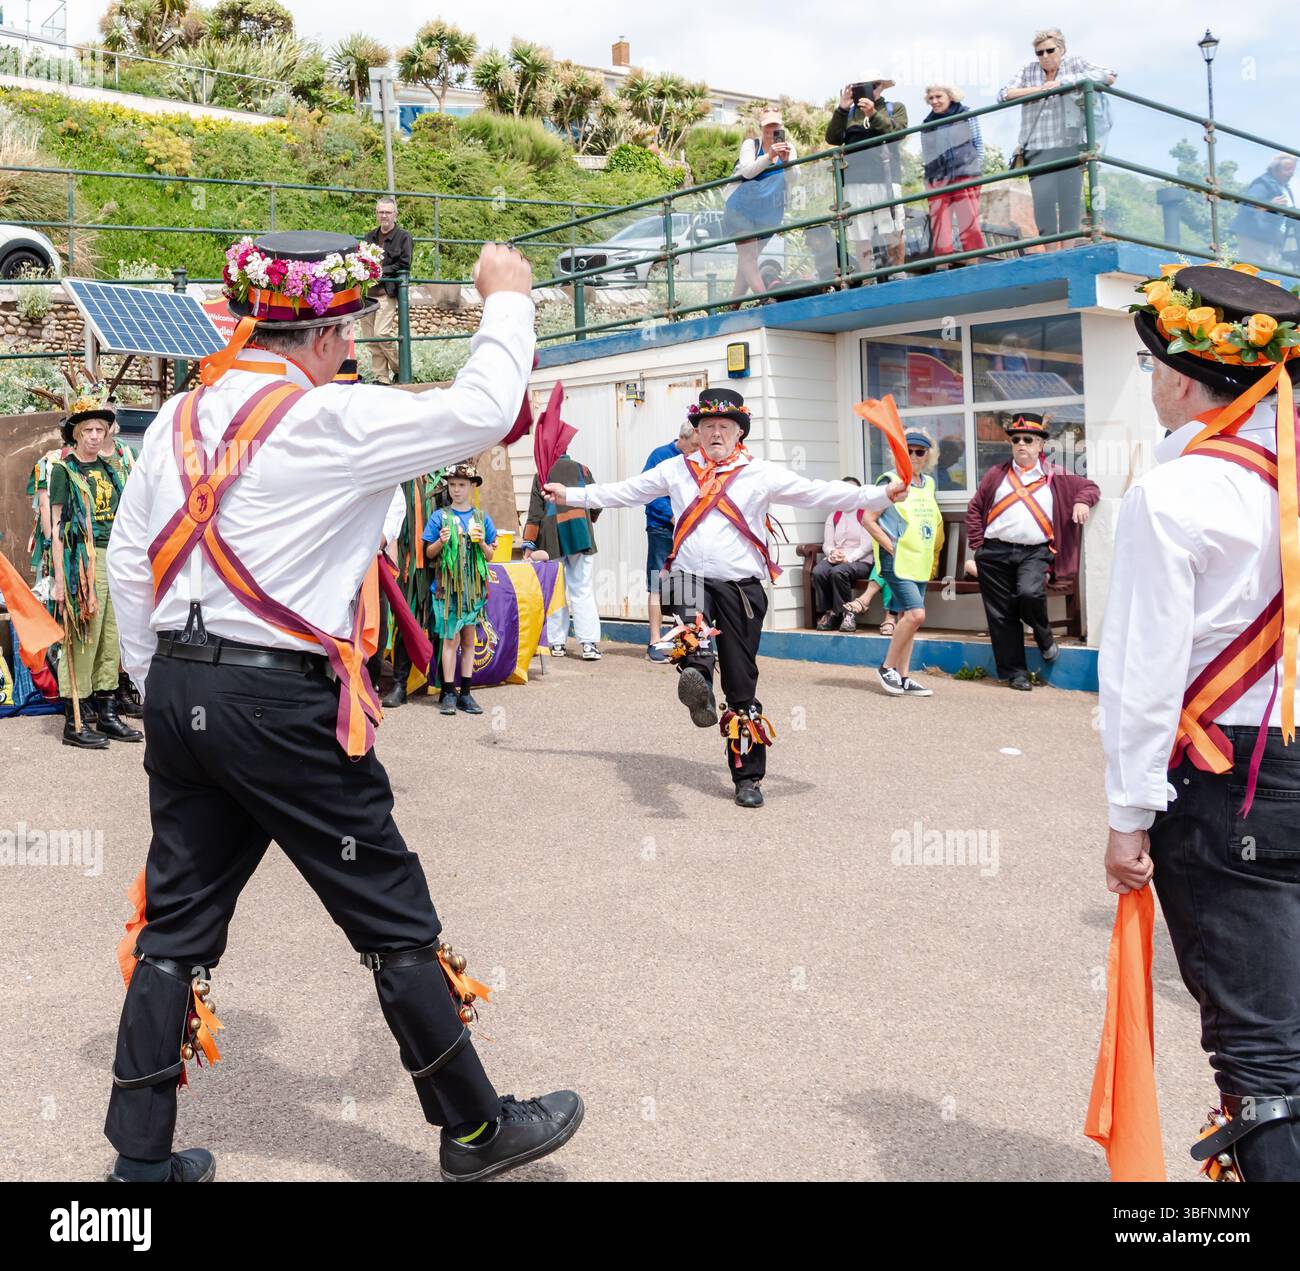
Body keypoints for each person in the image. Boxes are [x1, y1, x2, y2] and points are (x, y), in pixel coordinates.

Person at [104, 232, 582, 1184]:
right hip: (278, 700)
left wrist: (162, 684)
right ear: (327, 332)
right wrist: (506, 297)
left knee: (175, 926)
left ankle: (138, 1167)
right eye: (354, 326)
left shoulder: (179, 418)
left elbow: (128, 561)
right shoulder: (332, 416)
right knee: (389, 908)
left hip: (181, 687)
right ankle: (476, 1128)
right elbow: (484, 409)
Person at [1099, 262, 1300, 1182]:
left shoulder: (1173, 496)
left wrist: (1128, 817)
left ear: (1183, 375)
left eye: (1149, 367)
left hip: (1226, 785)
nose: (1149, 385)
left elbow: (1141, 682)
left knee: (1262, 1057)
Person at [544, 387, 905, 808]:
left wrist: (879, 495)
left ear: (738, 433)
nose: (715, 433)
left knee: (741, 684)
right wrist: (570, 495)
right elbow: (625, 491)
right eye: (707, 426)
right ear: (697, 433)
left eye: (724, 427)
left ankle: (747, 778)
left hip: (741, 588)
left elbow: (818, 493)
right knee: (688, 618)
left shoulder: (760, 473)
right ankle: (695, 675)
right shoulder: (675, 470)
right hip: (688, 578)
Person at [964, 413, 1099, 689]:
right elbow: (975, 508)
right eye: (1016, 440)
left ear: (1040, 446)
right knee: (1001, 614)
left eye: (1028, 439)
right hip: (994, 553)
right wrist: (978, 546)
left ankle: (1043, 634)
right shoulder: (996, 475)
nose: (1021, 444)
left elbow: (1090, 487)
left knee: (1029, 593)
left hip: (1035, 552)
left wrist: (1082, 502)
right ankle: (1016, 673)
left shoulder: (1056, 475)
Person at [48, 394, 141, 749]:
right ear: (76, 434)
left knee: (110, 636)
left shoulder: (109, 469)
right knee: (85, 633)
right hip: (82, 563)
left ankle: (107, 709)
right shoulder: (63, 471)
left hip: (114, 558)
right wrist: (59, 579)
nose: (94, 436)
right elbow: (57, 525)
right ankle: (76, 716)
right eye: (87, 430)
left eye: (100, 429)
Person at [999, 29, 1116, 248]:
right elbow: (1004, 94)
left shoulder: (1075, 63)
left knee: (1069, 201)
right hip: (1037, 146)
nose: (1044, 56)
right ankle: (1051, 252)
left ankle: (1067, 251)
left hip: (1068, 143)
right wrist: (1041, 89)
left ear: (1062, 49)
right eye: (1039, 52)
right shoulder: (1028, 70)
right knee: (1043, 204)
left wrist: (1064, 82)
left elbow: (1109, 75)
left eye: (1049, 50)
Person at [862, 431, 944, 696]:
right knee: (917, 614)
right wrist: (889, 546)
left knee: (909, 618)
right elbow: (868, 520)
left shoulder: (928, 483)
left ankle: (904, 676)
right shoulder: (890, 481)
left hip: (919, 561)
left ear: (928, 456)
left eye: (920, 451)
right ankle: (887, 668)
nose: (914, 456)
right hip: (896, 561)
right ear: (897, 453)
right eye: (907, 450)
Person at [423, 461, 497, 716]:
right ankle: (448, 692)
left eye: (461, 485)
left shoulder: (481, 518)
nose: (456, 490)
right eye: (452, 485)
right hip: (447, 590)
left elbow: (489, 556)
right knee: (449, 639)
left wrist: (482, 543)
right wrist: (441, 543)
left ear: (471, 487)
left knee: (468, 639)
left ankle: (466, 692)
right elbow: (428, 553)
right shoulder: (439, 517)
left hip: (473, 591)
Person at [826, 76, 909, 277]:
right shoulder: (848, 113)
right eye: (859, 86)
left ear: (880, 87)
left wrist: (873, 114)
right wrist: (842, 109)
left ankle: (897, 273)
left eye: (870, 86)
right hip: (855, 180)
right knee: (860, 234)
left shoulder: (894, 108)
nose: (864, 90)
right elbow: (832, 138)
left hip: (886, 178)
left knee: (893, 229)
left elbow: (897, 133)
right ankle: (866, 278)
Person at [524, 450, 602, 661]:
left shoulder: (541, 474)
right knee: (582, 589)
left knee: (555, 589)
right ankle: (589, 645)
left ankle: (556, 642)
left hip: (551, 537)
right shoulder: (582, 469)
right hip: (581, 533)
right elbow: (596, 502)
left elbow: (535, 512)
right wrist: (589, 519)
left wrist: (529, 545)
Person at [380, 469, 445, 708]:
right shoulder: (404, 478)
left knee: (442, 621)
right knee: (406, 621)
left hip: (441, 564)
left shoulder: (447, 480)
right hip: (411, 564)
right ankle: (400, 685)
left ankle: (446, 686)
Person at [722, 107, 796, 302]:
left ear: (781, 127)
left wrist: (786, 161)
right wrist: (769, 156)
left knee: (748, 260)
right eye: (767, 126)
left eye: (775, 126)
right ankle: (765, 300)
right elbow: (747, 172)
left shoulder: (789, 148)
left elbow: (794, 178)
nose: (771, 130)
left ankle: (733, 305)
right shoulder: (751, 145)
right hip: (740, 208)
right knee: (749, 257)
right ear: (761, 127)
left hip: (768, 213)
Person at [642, 421, 701, 661]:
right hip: (662, 530)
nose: (696, 451)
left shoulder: (698, 460)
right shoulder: (660, 456)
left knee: (688, 583)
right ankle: (655, 641)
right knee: (658, 582)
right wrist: (672, 515)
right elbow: (647, 493)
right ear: (682, 438)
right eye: (694, 445)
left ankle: (688, 640)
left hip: (688, 532)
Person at [920, 84, 986, 266]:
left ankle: (973, 265)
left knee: (968, 219)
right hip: (938, 178)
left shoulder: (966, 115)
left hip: (964, 173)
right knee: (940, 223)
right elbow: (927, 153)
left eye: (938, 96)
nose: (934, 101)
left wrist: (975, 169)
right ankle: (942, 267)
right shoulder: (927, 124)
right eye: (931, 98)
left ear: (950, 96)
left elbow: (978, 144)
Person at [361, 196, 413, 384]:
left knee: (381, 334)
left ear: (395, 214)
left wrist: (380, 270)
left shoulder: (404, 237)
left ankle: (401, 368)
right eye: (381, 212)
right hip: (368, 295)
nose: (384, 216)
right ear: (376, 214)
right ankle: (381, 378)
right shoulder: (369, 237)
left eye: (388, 212)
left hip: (386, 294)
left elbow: (405, 264)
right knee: (370, 339)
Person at [812, 477, 876, 631]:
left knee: (838, 572)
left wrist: (848, 558)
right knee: (818, 572)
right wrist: (832, 553)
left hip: (861, 560)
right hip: (838, 558)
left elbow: (867, 545)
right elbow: (828, 544)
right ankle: (830, 613)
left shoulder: (864, 514)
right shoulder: (834, 516)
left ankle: (848, 614)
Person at [1231, 154, 1296, 271]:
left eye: (1293, 170)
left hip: (1272, 240)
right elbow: (1247, 206)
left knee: (1269, 274)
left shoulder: (1285, 188)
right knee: (1254, 272)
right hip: (1256, 237)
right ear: (1275, 169)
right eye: (1287, 169)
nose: (1291, 173)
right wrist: (1270, 205)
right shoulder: (1262, 184)